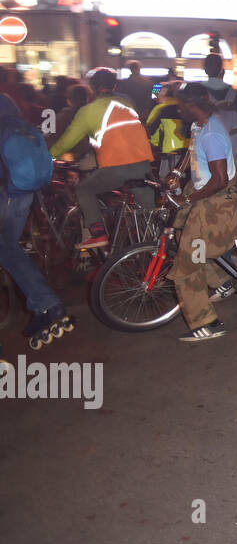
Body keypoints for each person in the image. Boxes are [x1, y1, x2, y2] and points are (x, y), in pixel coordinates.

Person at [0, 91, 74, 356]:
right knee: (9, 249)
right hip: (23, 195)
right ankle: (46, 305)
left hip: (6, 194)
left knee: (7, 250)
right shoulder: (21, 125)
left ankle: (46, 305)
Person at [48, 67, 155, 250]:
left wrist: (48, 156)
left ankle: (98, 234)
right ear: (114, 85)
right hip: (143, 164)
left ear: (92, 88)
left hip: (115, 167)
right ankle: (154, 250)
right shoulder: (127, 103)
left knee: (85, 190)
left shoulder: (88, 111)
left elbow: (67, 141)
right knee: (149, 215)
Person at [167, 83, 237, 342]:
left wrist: (186, 197)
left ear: (192, 105)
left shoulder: (211, 133)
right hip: (205, 197)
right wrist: (177, 172)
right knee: (180, 234)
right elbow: (192, 152)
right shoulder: (199, 126)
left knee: (187, 267)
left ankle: (207, 323)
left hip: (214, 205)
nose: (178, 109)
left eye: (181, 105)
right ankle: (222, 281)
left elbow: (219, 179)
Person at [146, 81, 188, 178]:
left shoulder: (160, 109)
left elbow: (152, 130)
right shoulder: (183, 107)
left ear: (163, 95)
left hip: (171, 151)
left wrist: (153, 146)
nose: (156, 97)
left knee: (166, 178)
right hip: (187, 151)